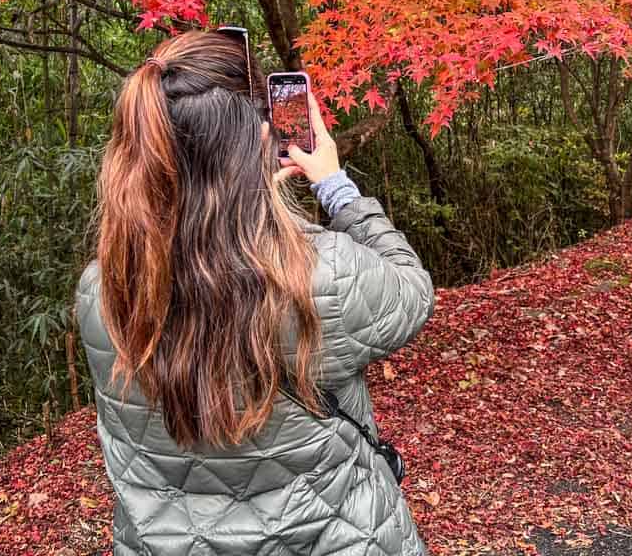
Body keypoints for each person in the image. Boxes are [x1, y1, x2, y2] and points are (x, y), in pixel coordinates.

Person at [74, 30, 436, 555]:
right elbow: (412, 291)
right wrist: (334, 187)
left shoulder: (105, 292)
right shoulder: (321, 275)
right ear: (262, 138)